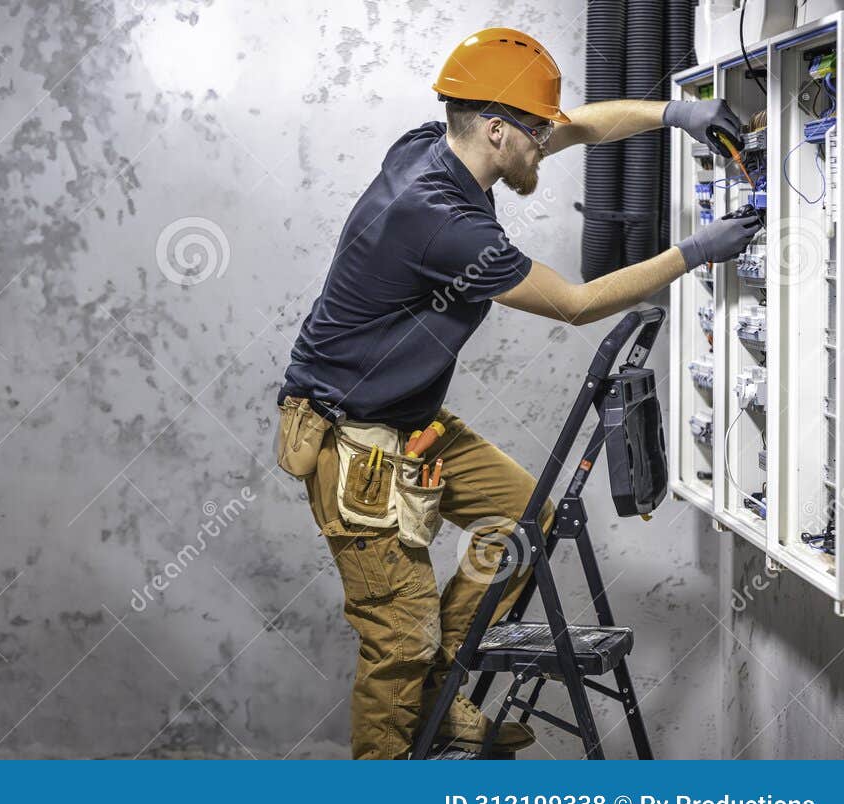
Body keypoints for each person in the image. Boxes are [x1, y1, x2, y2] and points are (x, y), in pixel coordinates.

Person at [276, 27, 761, 759]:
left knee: (520, 519)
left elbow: (582, 126)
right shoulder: (440, 221)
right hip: (353, 442)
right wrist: (696, 251)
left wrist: (675, 114)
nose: (549, 141)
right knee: (400, 633)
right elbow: (575, 302)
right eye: (537, 130)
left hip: (408, 419)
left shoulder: (437, 145)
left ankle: (441, 702)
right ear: (497, 131)